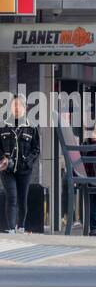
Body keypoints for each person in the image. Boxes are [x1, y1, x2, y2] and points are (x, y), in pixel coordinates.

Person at [0, 95, 40, 234]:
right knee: (12, 197)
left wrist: (28, 162)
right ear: (10, 107)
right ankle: (11, 228)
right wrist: (3, 158)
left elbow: (36, 149)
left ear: (24, 108)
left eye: (19, 105)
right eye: (14, 105)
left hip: (24, 170)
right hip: (7, 170)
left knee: (22, 200)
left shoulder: (32, 127)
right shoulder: (3, 126)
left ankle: (21, 227)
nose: (16, 108)